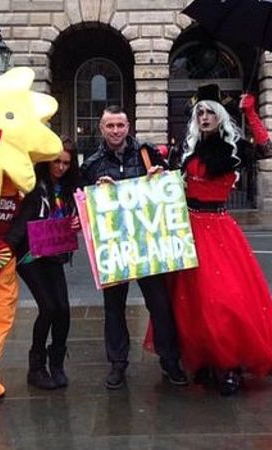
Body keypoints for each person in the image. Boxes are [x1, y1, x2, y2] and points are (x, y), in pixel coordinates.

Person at [166, 84, 272, 396]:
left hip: (219, 229)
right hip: (190, 228)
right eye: (201, 112)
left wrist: (250, 112)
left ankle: (230, 365)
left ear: (220, 115)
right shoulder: (187, 148)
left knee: (224, 300)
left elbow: (267, 150)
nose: (205, 117)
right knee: (192, 302)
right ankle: (209, 361)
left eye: (211, 111)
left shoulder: (233, 146)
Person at [80, 105, 188, 389]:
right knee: (113, 307)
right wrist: (98, 193)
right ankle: (117, 363)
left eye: (120, 125)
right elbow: (82, 206)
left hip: (148, 244)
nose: (116, 131)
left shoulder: (147, 152)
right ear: (101, 129)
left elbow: (172, 186)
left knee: (160, 305)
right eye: (110, 126)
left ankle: (170, 361)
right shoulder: (91, 165)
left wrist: (159, 176)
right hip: (114, 248)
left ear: (128, 126)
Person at [4, 136, 80, 390]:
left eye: (66, 163)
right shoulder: (35, 186)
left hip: (54, 254)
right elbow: (21, 220)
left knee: (63, 310)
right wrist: (5, 253)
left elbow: (80, 214)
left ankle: (56, 362)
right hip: (30, 255)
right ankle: (36, 368)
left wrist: (78, 221)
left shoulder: (70, 189)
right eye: (56, 161)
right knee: (48, 307)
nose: (61, 167)